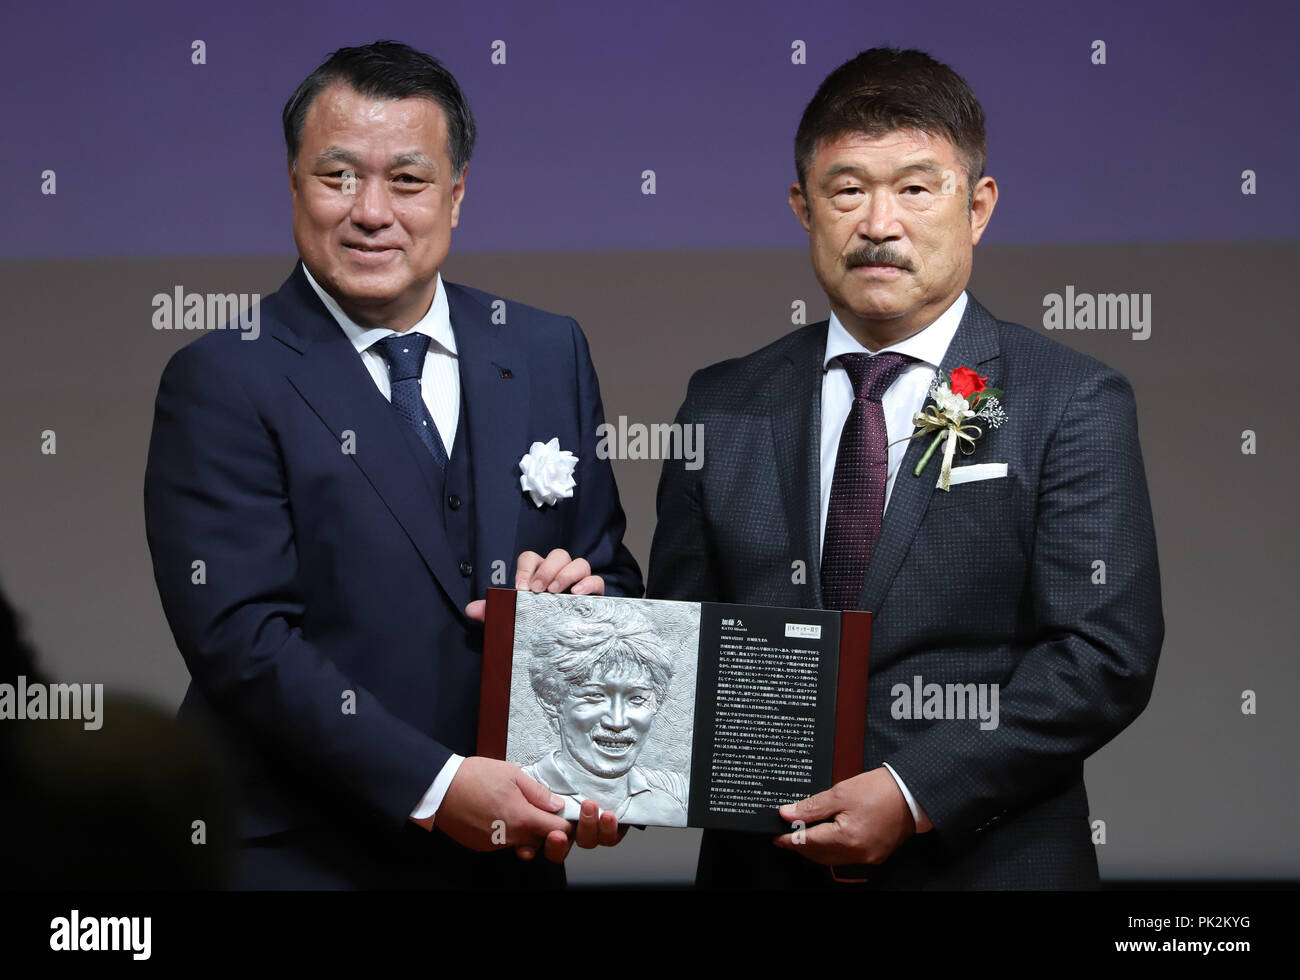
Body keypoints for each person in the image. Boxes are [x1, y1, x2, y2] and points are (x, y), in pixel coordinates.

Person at [646, 47, 1163, 889]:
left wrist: (914, 789)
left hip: (989, 862)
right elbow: (684, 639)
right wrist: (582, 626)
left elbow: (1104, 652)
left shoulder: (1071, 399)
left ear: (979, 207)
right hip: (765, 863)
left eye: (917, 189)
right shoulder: (724, 402)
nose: (878, 223)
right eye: (847, 190)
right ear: (802, 207)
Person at [144, 40, 641, 889]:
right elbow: (242, 641)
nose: (372, 211)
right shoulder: (226, 375)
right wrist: (438, 785)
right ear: (295, 185)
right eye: (339, 176)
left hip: (511, 851)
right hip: (298, 855)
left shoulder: (545, 347)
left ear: (456, 195)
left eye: (407, 180)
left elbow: (614, 575)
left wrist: (582, 608)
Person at [521, 599, 688, 826]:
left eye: (637, 698)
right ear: (551, 699)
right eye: (595, 696)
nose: (617, 722)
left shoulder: (674, 797)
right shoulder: (521, 786)